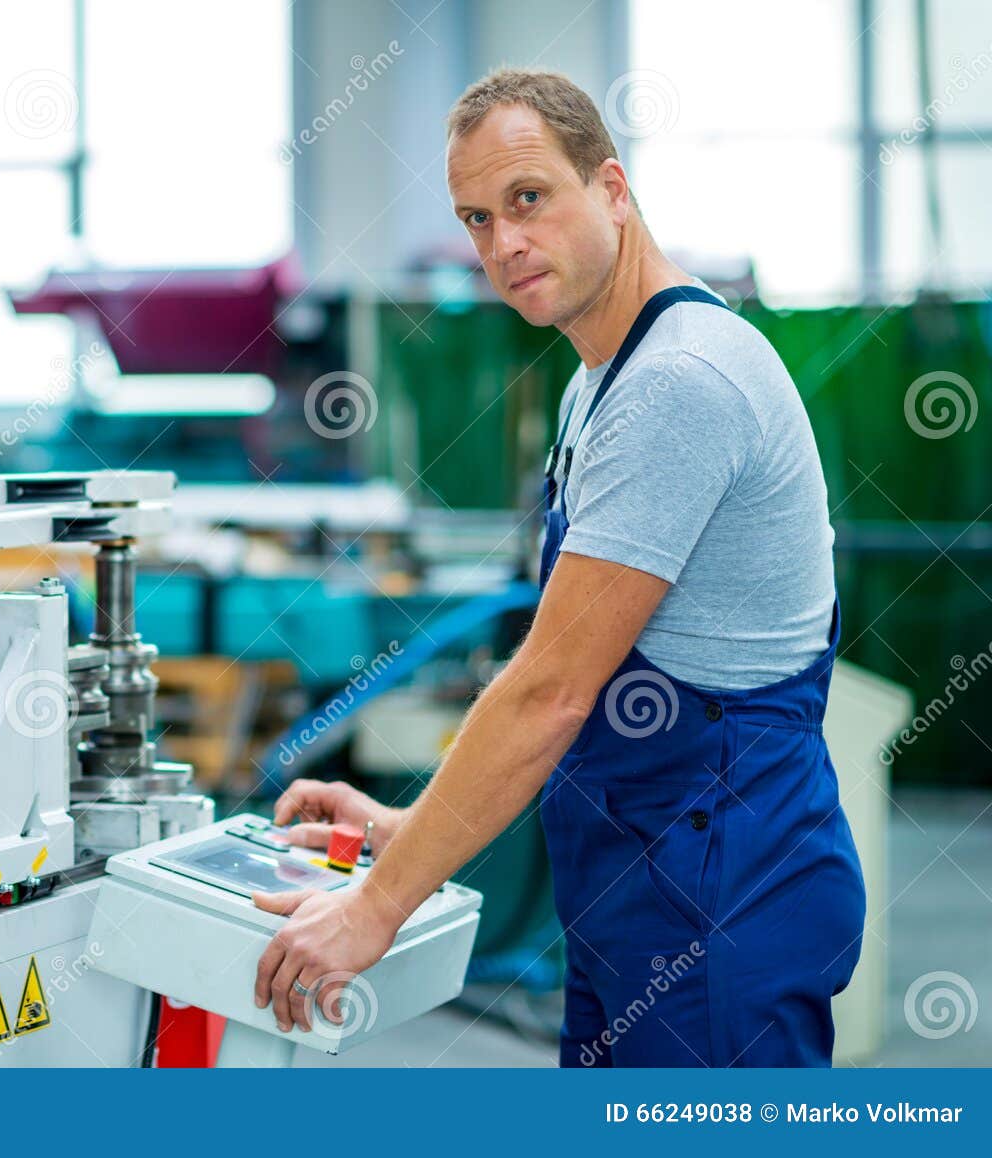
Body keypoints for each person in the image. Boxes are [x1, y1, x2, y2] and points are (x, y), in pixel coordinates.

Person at [252, 69, 864, 1068]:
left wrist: (377, 904)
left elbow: (549, 694)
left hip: (717, 908)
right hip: (641, 898)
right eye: (476, 219)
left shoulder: (677, 383)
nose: (502, 245)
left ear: (612, 189)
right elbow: (592, 711)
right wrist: (409, 830)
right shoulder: (598, 382)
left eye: (527, 199)